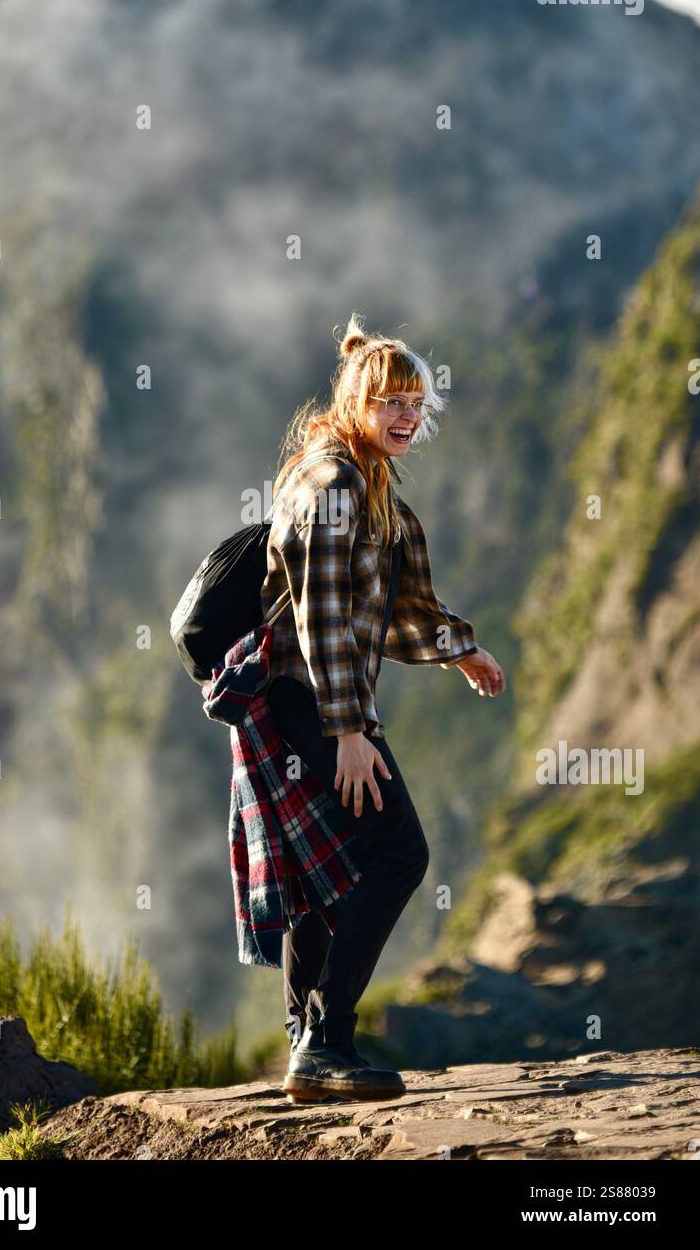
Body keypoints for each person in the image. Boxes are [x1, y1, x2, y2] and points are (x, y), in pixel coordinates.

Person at [260, 313, 505, 1103]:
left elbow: (387, 604)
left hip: (308, 702)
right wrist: (349, 731)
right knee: (397, 855)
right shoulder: (333, 484)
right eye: (389, 401)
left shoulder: (362, 478)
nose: (405, 416)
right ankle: (326, 1039)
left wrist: (456, 647)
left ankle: (309, 1040)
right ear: (356, 401)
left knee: (324, 870)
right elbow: (321, 617)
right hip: (311, 705)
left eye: (415, 402)